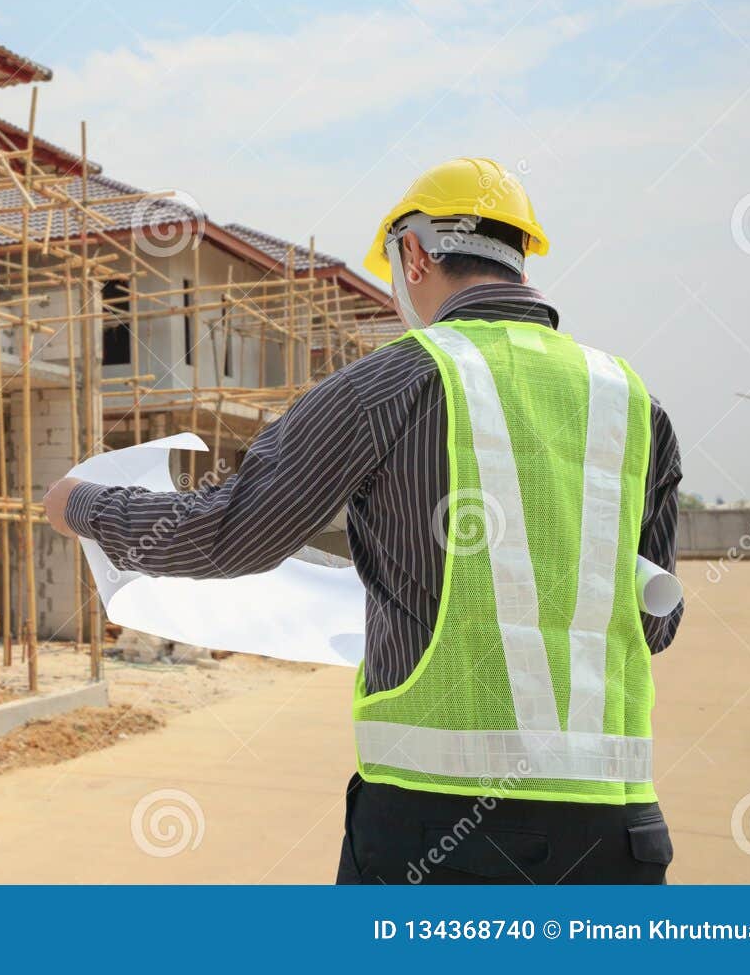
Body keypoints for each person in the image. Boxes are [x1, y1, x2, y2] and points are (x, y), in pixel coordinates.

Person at [43, 158, 684, 884]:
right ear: (522, 256)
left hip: (441, 837)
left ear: (415, 253)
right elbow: (653, 623)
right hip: (619, 836)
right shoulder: (635, 403)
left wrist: (84, 502)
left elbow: (230, 531)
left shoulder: (392, 383)